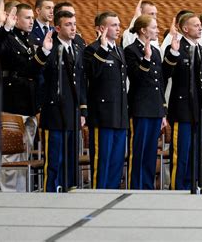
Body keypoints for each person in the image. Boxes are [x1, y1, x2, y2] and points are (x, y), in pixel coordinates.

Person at [0, 3, 52, 191]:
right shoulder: (7, 37)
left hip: (29, 101)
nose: (31, 21)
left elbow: (33, 69)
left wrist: (43, 52)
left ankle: (21, 191)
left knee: (25, 151)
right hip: (12, 101)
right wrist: (5, 28)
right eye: (27, 18)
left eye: (31, 18)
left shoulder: (27, 40)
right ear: (16, 18)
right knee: (11, 152)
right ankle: (8, 192)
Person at [162, 13, 202, 190]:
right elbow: (166, 72)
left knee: (195, 152)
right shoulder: (177, 46)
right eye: (196, 25)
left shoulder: (200, 48)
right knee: (181, 153)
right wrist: (173, 52)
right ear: (185, 29)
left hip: (198, 108)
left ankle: (193, 186)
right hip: (182, 108)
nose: (200, 28)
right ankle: (178, 188)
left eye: (200, 25)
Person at [39, 11, 87, 192]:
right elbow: (41, 75)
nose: (73, 27)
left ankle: (69, 190)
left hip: (73, 112)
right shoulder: (51, 47)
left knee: (70, 159)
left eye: (74, 23)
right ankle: (50, 192)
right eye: (68, 24)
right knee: (54, 159)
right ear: (57, 28)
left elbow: (81, 81)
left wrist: (83, 110)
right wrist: (45, 51)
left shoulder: (77, 48)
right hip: (55, 112)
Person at [83, 11, 128, 189]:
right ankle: (98, 194)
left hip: (119, 113)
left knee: (117, 160)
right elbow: (91, 74)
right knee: (102, 159)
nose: (118, 29)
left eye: (118, 25)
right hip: (102, 114)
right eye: (114, 25)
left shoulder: (118, 50)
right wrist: (102, 50)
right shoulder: (92, 49)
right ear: (102, 28)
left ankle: (112, 192)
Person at [124, 15, 167, 190]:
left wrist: (163, 110)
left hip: (154, 108)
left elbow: (160, 82)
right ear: (143, 30)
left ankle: (148, 187)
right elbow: (136, 78)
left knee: (151, 152)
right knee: (139, 151)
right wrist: (146, 59)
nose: (157, 30)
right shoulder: (131, 50)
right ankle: (136, 187)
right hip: (140, 108)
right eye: (154, 27)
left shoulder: (156, 51)